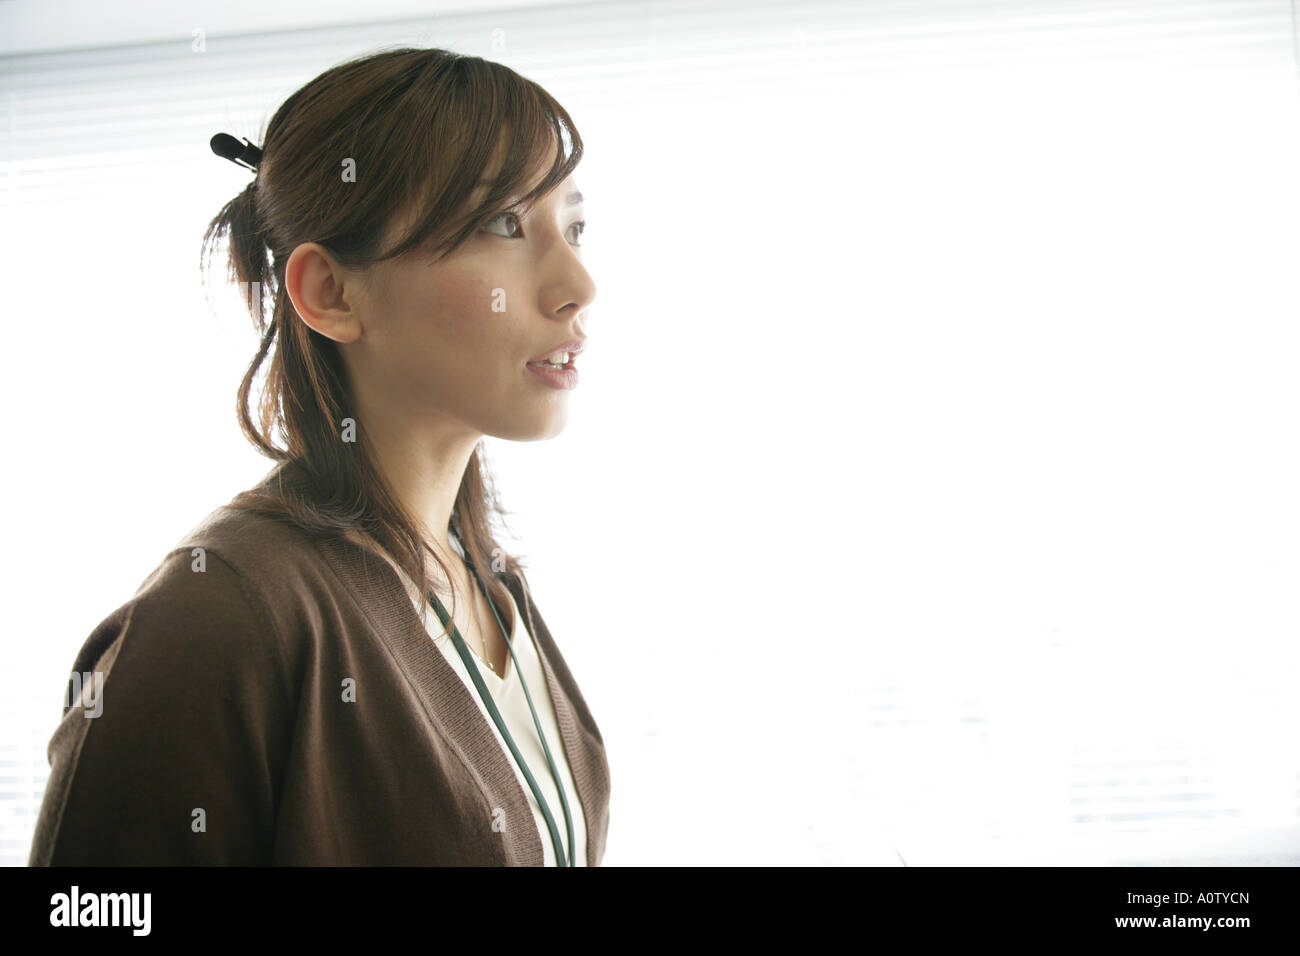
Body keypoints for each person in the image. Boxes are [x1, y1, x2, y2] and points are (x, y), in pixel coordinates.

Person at [28, 47, 609, 866]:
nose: (577, 282)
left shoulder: (487, 581)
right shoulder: (222, 614)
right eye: (504, 224)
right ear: (332, 293)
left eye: (574, 226)